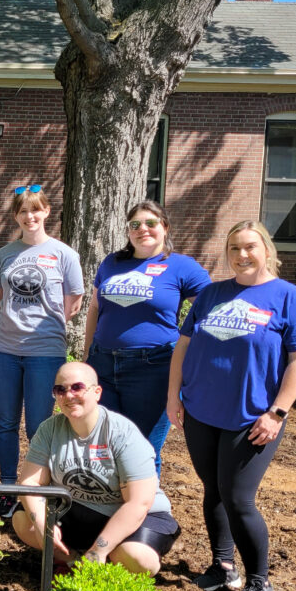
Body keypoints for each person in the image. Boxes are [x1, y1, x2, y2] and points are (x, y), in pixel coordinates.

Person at [168, 220, 296, 591]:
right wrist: (173, 396)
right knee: (213, 490)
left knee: (238, 497)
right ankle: (222, 566)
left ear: (267, 249)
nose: (242, 255)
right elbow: (182, 347)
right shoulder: (212, 294)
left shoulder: (291, 297)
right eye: (234, 248)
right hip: (201, 410)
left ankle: (259, 581)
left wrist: (278, 412)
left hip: (252, 416)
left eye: (250, 246)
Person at [12, 362, 180, 575]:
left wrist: (99, 550)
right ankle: (73, 561)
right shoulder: (50, 429)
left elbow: (139, 502)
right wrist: (44, 527)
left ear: (97, 392)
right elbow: (29, 482)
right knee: (23, 520)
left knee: (139, 558)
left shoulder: (121, 433)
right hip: (79, 509)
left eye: (77, 387)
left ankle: (102, 563)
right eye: (60, 390)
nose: (68, 395)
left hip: (134, 514)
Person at [84, 201, 210, 477]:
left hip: (153, 369)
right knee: (102, 444)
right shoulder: (112, 263)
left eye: (151, 223)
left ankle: (145, 515)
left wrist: (191, 350)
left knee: (143, 449)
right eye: (135, 224)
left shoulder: (181, 266)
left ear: (165, 228)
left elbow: (210, 309)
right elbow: (94, 308)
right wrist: (86, 357)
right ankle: (106, 513)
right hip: (102, 364)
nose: (143, 229)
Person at [0, 185, 83, 488]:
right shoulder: (4, 255)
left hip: (45, 351)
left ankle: (38, 487)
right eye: (23, 211)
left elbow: (74, 302)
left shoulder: (64, 254)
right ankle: (6, 486)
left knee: (39, 427)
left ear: (46, 211)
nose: (30, 216)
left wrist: (44, 325)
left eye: (35, 209)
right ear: (16, 216)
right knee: (6, 424)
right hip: (4, 350)